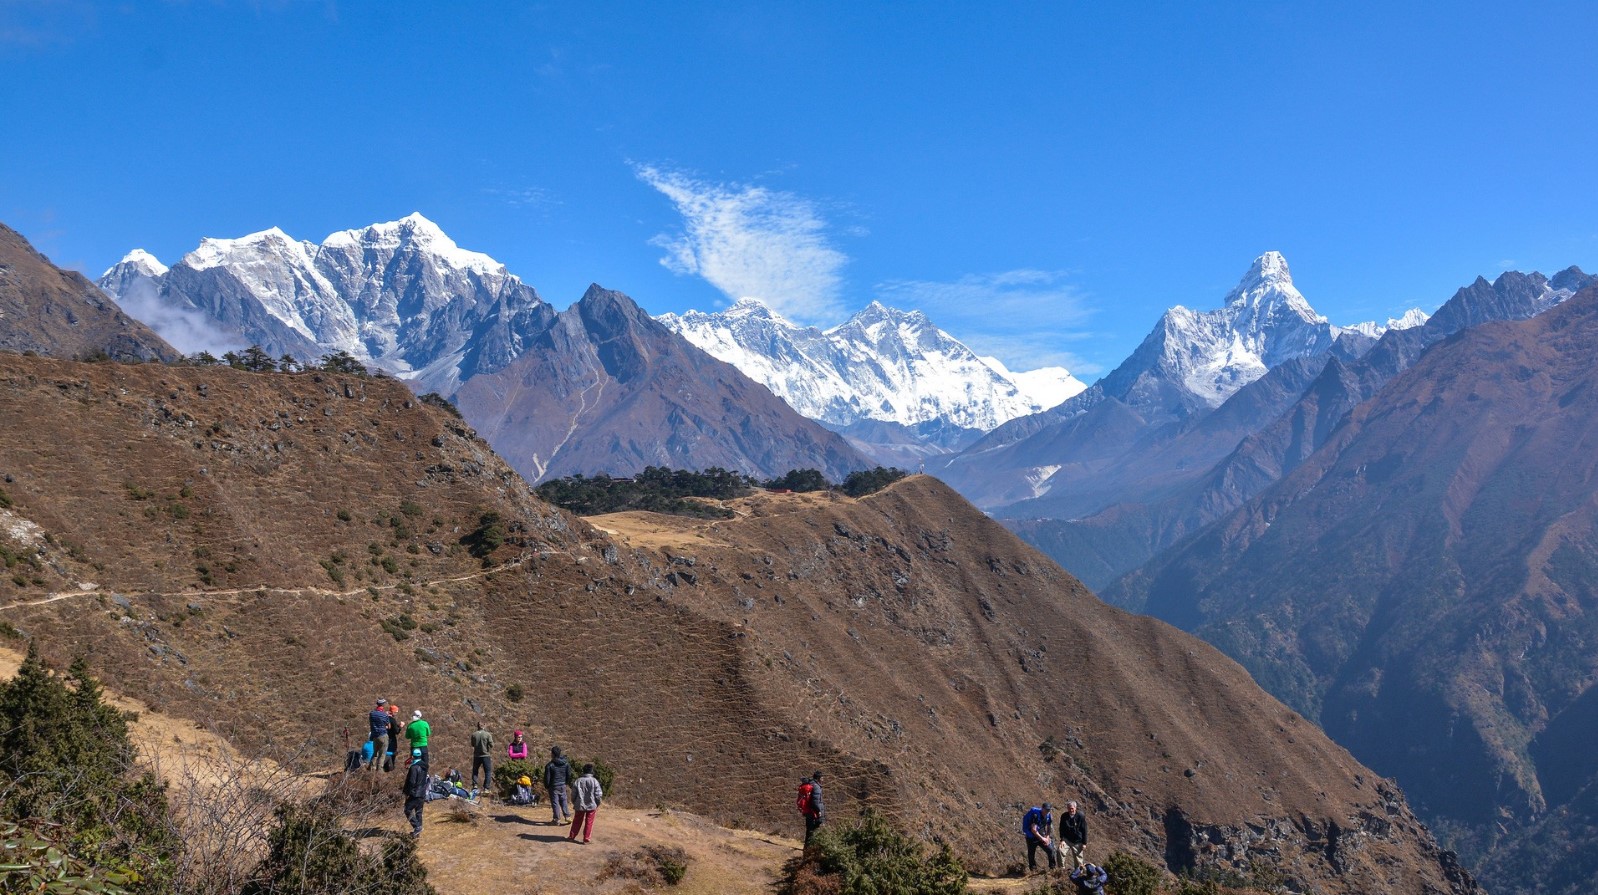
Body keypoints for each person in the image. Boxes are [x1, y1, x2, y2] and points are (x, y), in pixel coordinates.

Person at [566, 763, 603, 844]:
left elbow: (573, 794)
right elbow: (598, 794)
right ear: (591, 771)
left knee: (577, 821)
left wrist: (574, 802)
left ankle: (571, 836)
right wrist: (597, 803)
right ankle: (586, 839)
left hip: (579, 804)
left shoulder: (578, 781)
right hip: (592, 805)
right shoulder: (594, 781)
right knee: (589, 822)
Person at [1022, 802, 1057, 873]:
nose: (1047, 811)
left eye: (1049, 810)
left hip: (1041, 834)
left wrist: (1047, 837)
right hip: (1031, 836)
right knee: (1031, 853)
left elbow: (1049, 826)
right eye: (1046, 810)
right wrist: (1042, 838)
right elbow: (1033, 830)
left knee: (1050, 850)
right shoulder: (1035, 815)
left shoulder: (1049, 815)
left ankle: (1052, 868)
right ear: (1042, 808)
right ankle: (1033, 870)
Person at [402, 748, 429, 837]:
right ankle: (417, 831)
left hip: (415, 793)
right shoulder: (424, 766)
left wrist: (406, 792)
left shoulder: (414, 767)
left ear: (413, 756)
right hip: (422, 792)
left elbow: (412, 781)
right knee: (419, 812)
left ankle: (417, 827)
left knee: (407, 809)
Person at [544, 745, 573, 825]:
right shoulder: (566, 763)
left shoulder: (550, 765)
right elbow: (569, 774)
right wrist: (566, 782)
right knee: (563, 800)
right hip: (562, 785)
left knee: (555, 802)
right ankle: (567, 816)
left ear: (552, 754)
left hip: (553, 786)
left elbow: (547, 778)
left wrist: (547, 786)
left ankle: (556, 819)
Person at [1059, 800, 1088, 870]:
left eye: (1072, 808)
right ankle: (1061, 870)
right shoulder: (1064, 816)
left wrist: (1084, 843)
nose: (1070, 810)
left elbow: (1084, 829)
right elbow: (1061, 828)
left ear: (1075, 808)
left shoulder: (1080, 816)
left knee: (1078, 859)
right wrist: (1062, 839)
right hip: (1067, 839)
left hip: (1077, 840)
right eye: (1069, 808)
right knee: (1060, 850)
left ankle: (1078, 873)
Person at [799, 771, 825, 845]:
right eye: (822, 777)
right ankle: (809, 850)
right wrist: (818, 811)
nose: (823, 779)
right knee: (812, 831)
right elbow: (815, 801)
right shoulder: (816, 787)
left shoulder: (811, 784)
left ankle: (807, 848)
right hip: (813, 813)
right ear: (819, 778)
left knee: (809, 831)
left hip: (808, 811)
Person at [366, 699, 389, 770]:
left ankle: (371, 768)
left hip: (374, 735)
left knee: (375, 753)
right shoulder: (384, 715)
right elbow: (388, 726)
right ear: (383, 705)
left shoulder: (372, 713)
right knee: (382, 754)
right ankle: (379, 770)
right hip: (383, 735)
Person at [470, 721, 494, 791]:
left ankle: (475, 785)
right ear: (484, 725)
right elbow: (491, 745)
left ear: (477, 726)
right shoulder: (487, 734)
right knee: (488, 771)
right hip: (485, 755)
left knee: (475, 771)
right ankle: (486, 787)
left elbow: (472, 744)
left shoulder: (474, 734)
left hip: (477, 755)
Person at [382, 704, 401, 771]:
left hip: (384, 737)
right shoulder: (392, 720)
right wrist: (400, 726)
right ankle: (390, 767)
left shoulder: (384, 717)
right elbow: (396, 731)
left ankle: (384, 767)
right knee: (392, 753)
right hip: (391, 740)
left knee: (384, 753)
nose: (396, 713)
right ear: (392, 712)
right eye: (395, 712)